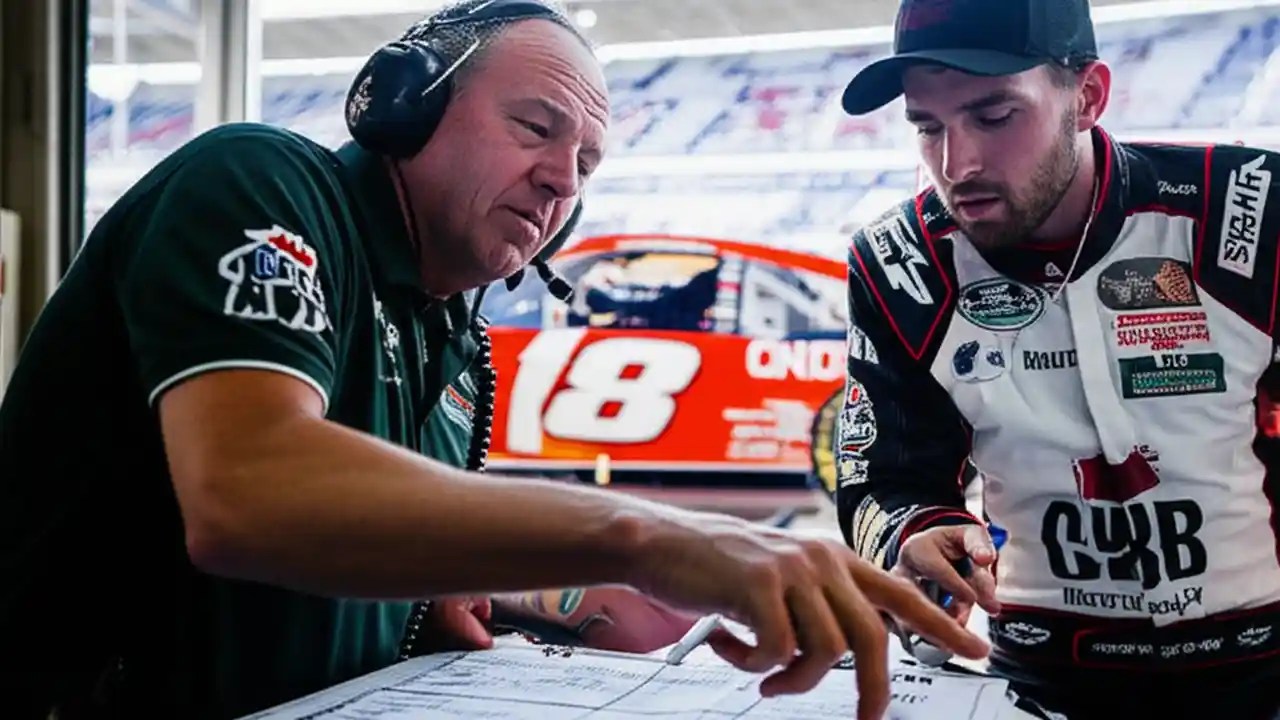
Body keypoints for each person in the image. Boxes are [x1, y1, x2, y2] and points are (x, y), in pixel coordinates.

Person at [0, 1, 988, 718]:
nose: (561, 180)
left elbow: (396, 590)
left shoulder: (453, 342)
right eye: (534, 128)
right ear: (401, 105)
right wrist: (650, 536)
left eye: (587, 166)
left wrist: (559, 611)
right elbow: (248, 494)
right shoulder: (258, 180)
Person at [836, 0, 1280, 717]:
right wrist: (913, 530)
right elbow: (878, 477)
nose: (958, 164)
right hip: (1035, 685)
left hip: (1264, 670)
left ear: (1089, 97)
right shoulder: (897, 263)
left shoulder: (1250, 212)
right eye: (927, 126)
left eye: (994, 115)